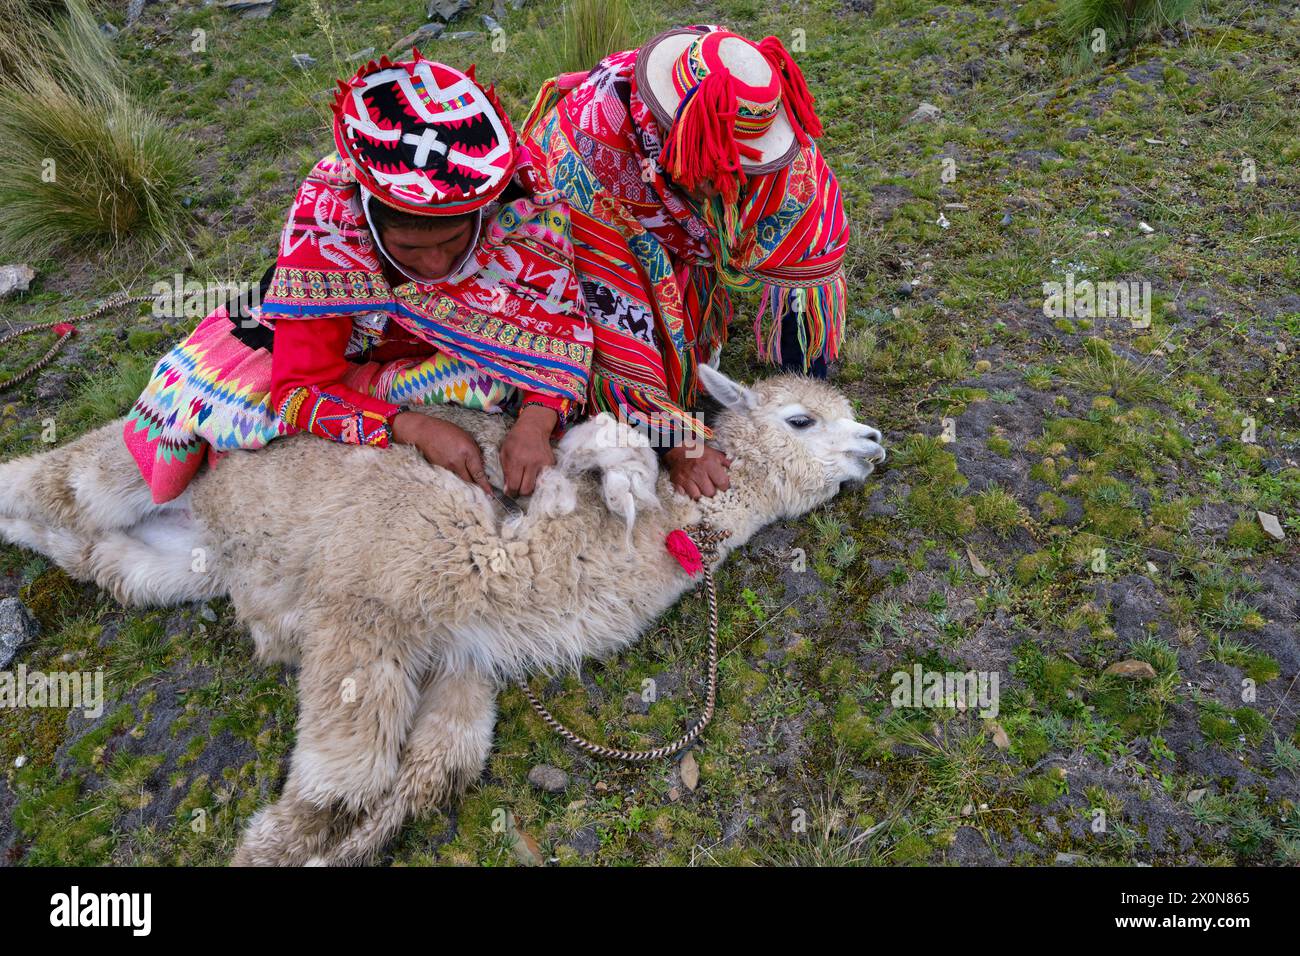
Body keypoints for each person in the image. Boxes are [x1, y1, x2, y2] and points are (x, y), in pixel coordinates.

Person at [124, 52, 592, 504]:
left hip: (397, 352)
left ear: (480, 214)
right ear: (367, 223)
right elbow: (300, 390)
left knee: (499, 386)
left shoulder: (520, 215)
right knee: (230, 413)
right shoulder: (330, 230)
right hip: (350, 344)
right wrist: (412, 426)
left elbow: (555, 328)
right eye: (409, 249)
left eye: (452, 242)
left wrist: (535, 420)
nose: (434, 265)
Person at [523, 25, 850, 499]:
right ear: (670, 137)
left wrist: (802, 394)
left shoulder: (769, 131)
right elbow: (606, 302)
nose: (727, 189)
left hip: (665, 186)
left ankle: (705, 336)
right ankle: (660, 387)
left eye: (744, 171)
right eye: (714, 173)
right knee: (625, 297)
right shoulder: (588, 147)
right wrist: (678, 441)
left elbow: (810, 239)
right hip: (606, 218)